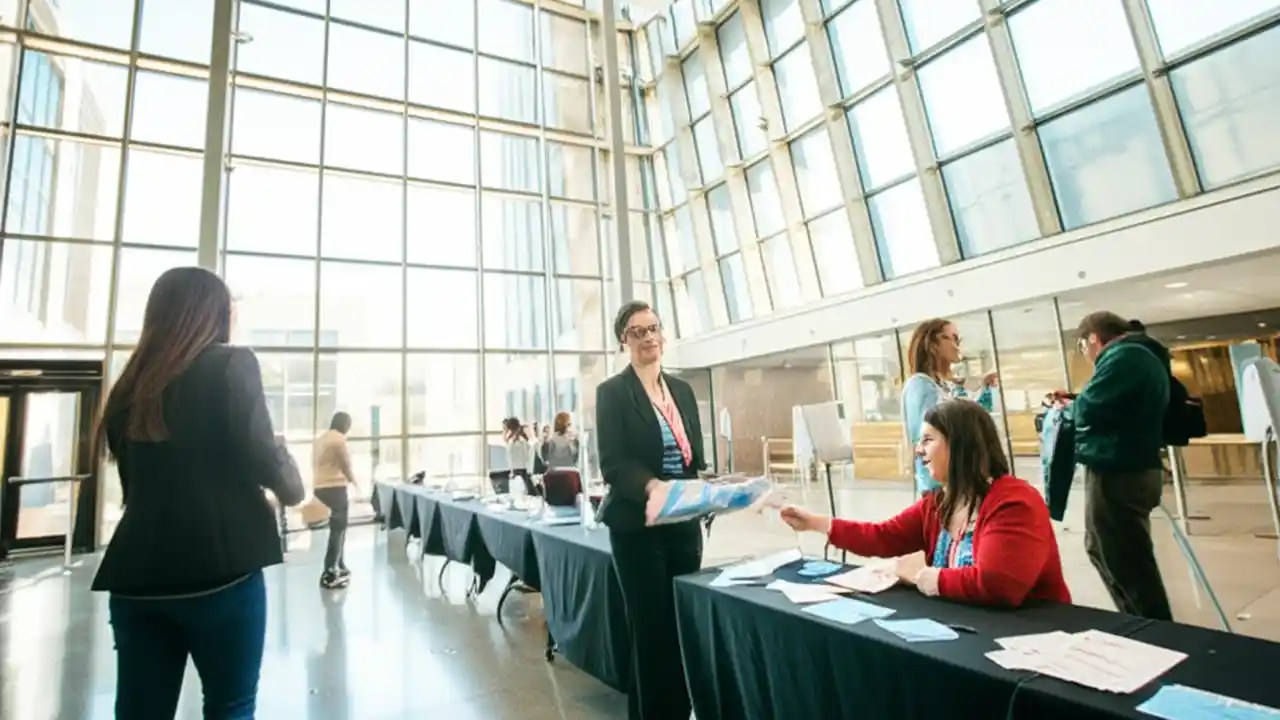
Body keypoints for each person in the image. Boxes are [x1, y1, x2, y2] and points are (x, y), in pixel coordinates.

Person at [91, 267, 305, 719]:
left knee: (139, 711)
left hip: (137, 580)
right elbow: (268, 464)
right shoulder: (232, 364)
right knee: (230, 705)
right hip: (220, 570)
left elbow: (134, 489)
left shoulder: (130, 384)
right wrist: (287, 469)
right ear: (214, 313)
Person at [782, 399, 1069, 608]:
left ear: (960, 445)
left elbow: (998, 585)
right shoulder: (938, 502)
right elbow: (881, 537)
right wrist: (814, 523)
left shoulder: (1015, 503)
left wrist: (922, 576)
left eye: (928, 440)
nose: (919, 450)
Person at [596, 300, 705, 720]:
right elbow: (614, 464)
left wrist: (709, 491)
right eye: (638, 331)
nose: (648, 338)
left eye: (653, 328)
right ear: (624, 340)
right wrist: (652, 486)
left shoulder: (682, 391)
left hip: (682, 525)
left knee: (680, 628)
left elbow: (692, 454)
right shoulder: (613, 393)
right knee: (651, 634)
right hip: (638, 529)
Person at [1067, 311, 1173, 620]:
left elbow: (1090, 407)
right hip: (1130, 465)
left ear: (1093, 339)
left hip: (1120, 470)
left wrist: (1074, 406)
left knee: (1124, 559)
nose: (1085, 354)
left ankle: (1156, 634)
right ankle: (1143, 625)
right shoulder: (1139, 356)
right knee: (1103, 548)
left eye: (1083, 347)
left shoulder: (1124, 356)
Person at [902, 318, 998, 495]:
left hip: (955, 484)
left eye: (958, 340)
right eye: (952, 338)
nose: (957, 346)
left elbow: (963, 419)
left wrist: (984, 386)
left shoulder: (941, 385)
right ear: (932, 343)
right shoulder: (920, 385)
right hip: (939, 488)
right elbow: (929, 436)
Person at [313, 411, 357, 590]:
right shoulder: (339, 440)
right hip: (335, 487)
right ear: (345, 424)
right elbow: (345, 464)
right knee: (338, 529)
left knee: (338, 528)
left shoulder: (321, 439)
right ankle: (330, 571)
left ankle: (340, 564)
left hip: (320, 486)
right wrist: (354, 481)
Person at [503, 417, 533, 492]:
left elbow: (528, 455)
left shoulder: (522, 441)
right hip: (516, 471)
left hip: (522, 471)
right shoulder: (512, 442)